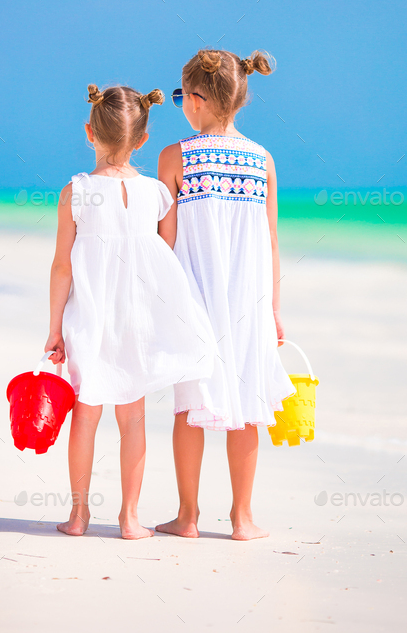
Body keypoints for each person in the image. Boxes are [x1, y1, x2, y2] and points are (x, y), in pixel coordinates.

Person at [45, 83, 214, 540]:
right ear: (142, 139)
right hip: (137, 322)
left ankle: (79, 516)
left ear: (89, 132)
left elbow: (63, 267)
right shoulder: (157, 194)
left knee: (85, 416)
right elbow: (165, 255)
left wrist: (54, 327)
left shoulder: (76, 192)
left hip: (91, 319)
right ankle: (130, 518)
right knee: (133, 418)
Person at [155, 49, 294, 541]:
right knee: (248, 409)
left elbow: (165, 244)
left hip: (194, 300)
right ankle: (242, 519)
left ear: (195, 100)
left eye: (180, 97)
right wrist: (273, 309)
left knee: (188, 408)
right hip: (249, 302)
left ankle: (187, 517)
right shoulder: (263, 159)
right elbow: (271, 240)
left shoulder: (174, 157)